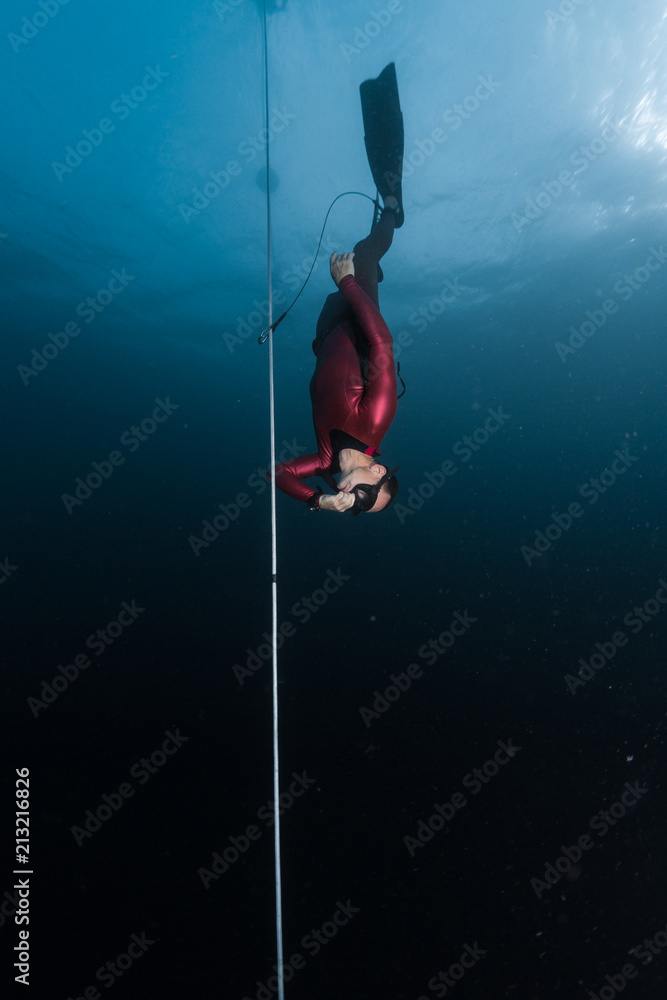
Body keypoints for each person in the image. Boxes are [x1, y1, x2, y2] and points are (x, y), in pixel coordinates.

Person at [271, 64, 405, 516]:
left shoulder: (327, 459)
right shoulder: (377, 419)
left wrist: (317, 499)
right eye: (364, 498)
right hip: (355, 313)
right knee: (365, 254)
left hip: (328, 329)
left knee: (360, 254)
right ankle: (392, 208)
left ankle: (382, 222)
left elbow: (279, 474)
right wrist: (348, 282)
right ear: (378, 472)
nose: (354, 502)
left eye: (356, 510)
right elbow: (382, 342)